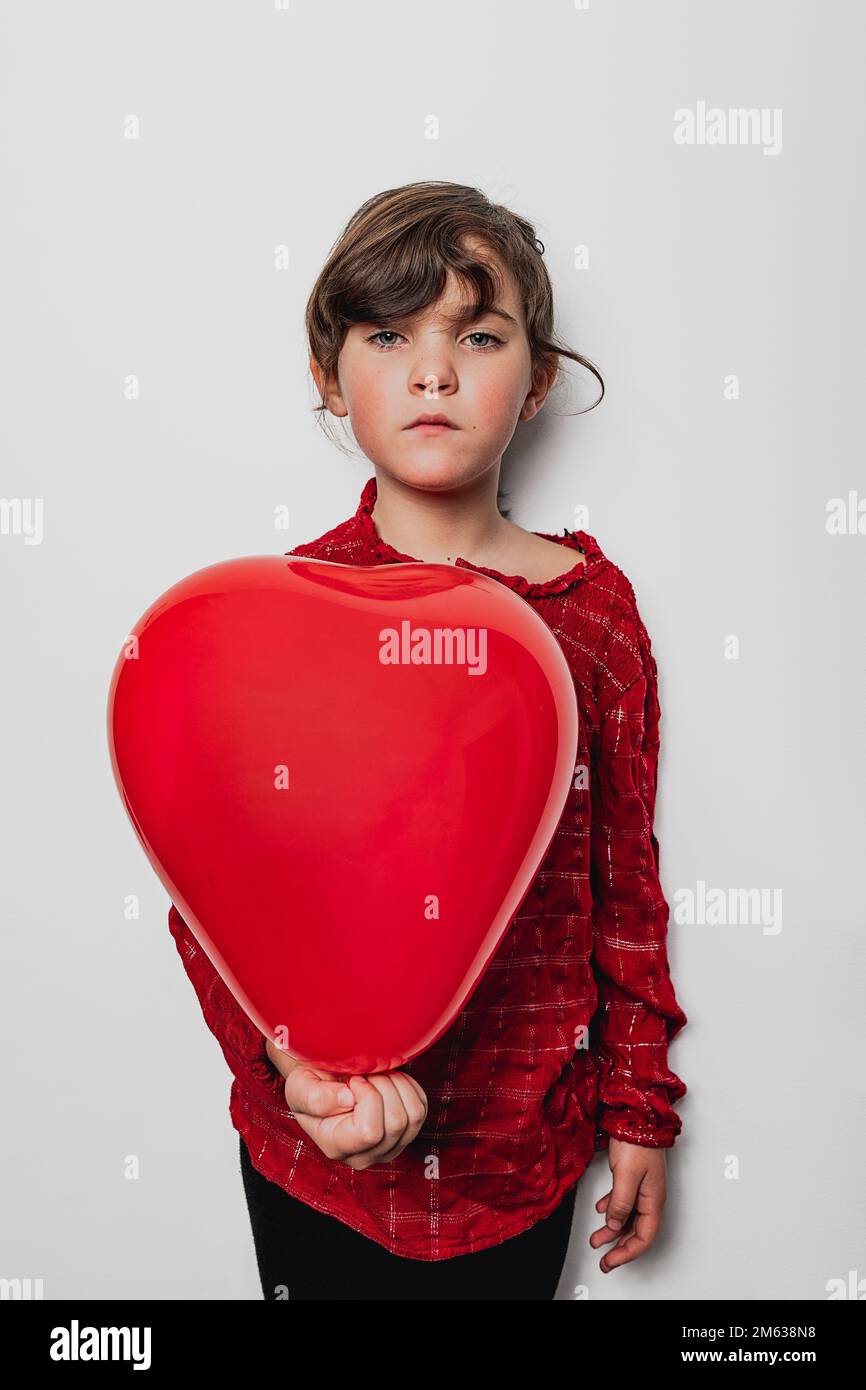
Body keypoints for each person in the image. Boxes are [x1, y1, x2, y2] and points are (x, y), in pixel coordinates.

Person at [168, 180, 688, 1300]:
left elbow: (623, 883)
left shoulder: (592, 615)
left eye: (478, 334)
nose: (433, 370)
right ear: (327, 376)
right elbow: (216, 894)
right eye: (388, 332)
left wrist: (640, 1103)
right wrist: (293, 1067)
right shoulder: (281, 613)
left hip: (519, 1153)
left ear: (537, 380)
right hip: (319, 1164)